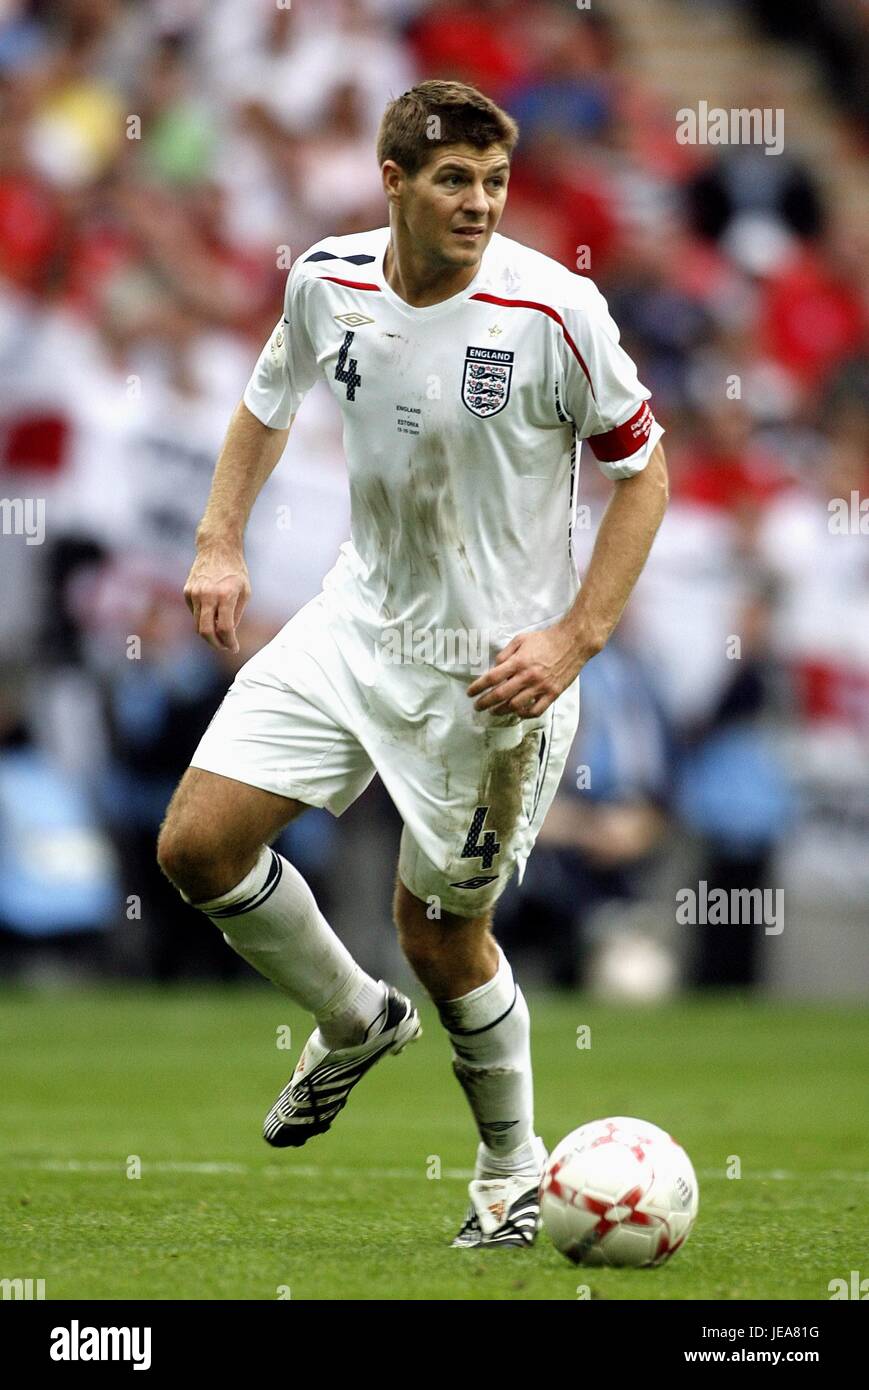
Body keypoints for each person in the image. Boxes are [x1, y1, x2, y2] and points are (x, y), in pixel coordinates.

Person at [156, 80, 668, 1249]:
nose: (479, 203)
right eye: (453, 179)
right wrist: (219, 537)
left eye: (493, 181)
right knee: (194, 844)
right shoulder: (325, 280)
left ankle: (508, 1170)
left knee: (437, 931)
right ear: (393, 181)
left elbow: (645, 474)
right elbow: (264, 400)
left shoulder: (554, 310)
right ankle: (351, 1021)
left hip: (494, 674)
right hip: (357, 622)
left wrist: (573, 637)